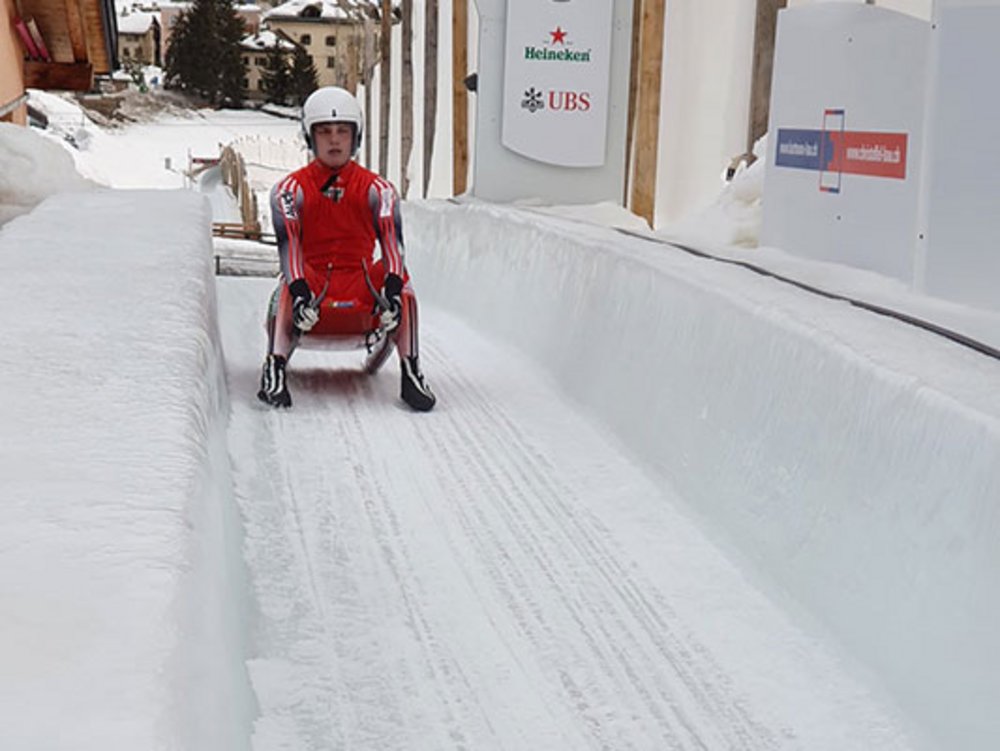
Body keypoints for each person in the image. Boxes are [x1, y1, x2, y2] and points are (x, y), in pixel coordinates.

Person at [257, 86, 436, 412]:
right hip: (312, 286)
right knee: (285, 287)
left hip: (362, 283)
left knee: (405, 283)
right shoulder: (288, 190)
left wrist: (392, 291)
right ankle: (275, 366)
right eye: (325, 132)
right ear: (310, 137)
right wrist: (299, 291)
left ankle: (411, 371)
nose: (335, 140)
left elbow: (394, 248)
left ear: (356, 136)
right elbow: (291, 250)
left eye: (343, 131)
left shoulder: (379, 190)